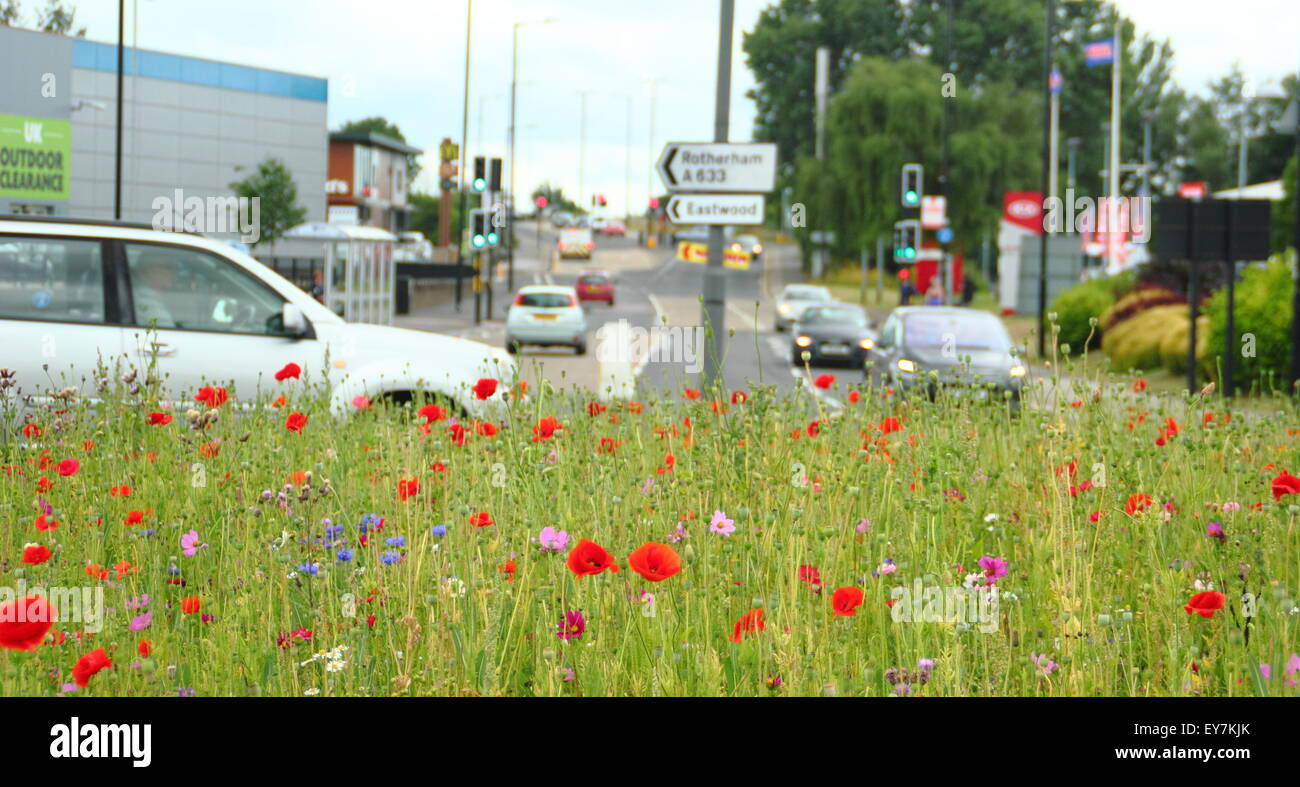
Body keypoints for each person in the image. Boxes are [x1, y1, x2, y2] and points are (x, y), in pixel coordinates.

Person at [131, 249, 181, 328]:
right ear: (150, 270)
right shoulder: (151, 307)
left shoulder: (139, 296)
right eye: (168, 267)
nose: (174, 271)